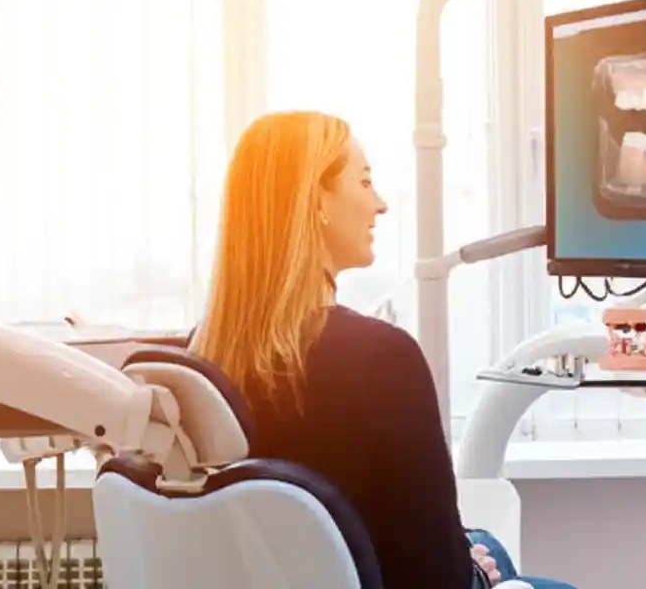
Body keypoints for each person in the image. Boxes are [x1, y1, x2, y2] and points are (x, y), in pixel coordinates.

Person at [190, 110, 576, 589]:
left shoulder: (203, 360)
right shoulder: (382, 359)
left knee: (486, 544)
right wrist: (474, 571)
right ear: (317, 200)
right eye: (365, 182)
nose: (381, 205)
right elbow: (436, 577)